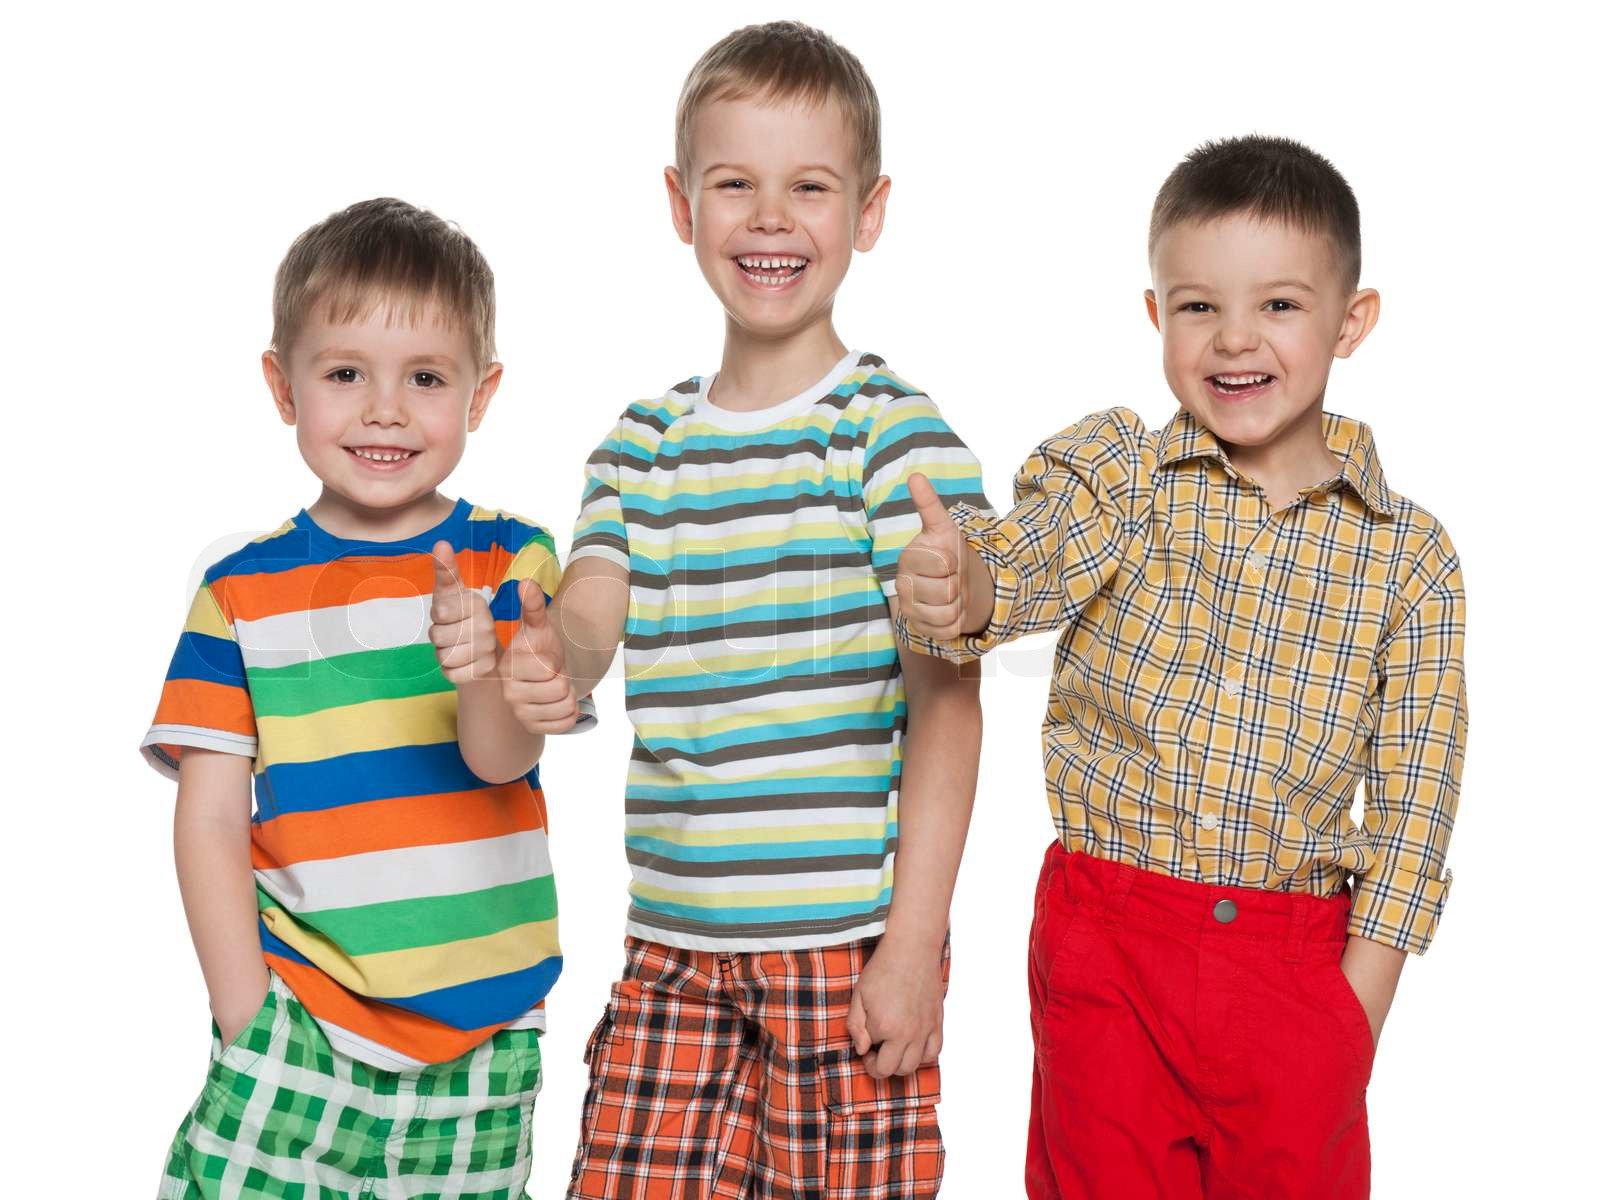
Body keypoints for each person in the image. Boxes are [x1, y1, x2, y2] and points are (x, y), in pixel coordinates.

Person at [897, 135, 1468, 1198]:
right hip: (1111, 949)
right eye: (1199, 305)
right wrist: (959, 582)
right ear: (1158, 315)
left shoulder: (1410, 556)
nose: (1235, 338)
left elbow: (1415, 802)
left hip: (1297, 970)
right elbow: (1024, 565)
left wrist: (1351, 1016)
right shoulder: (1123, 478)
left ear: (1352, 320)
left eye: (1280, 307)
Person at [500, 21, 990, 1198]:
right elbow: (590, 619)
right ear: (681, 204)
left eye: (808, 188)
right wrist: (544, 653)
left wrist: (913, 945)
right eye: (736, 185)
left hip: (846, 953)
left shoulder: (892, 434)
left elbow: (950, 708)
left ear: (867, 212)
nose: (771, 220)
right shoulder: (640, 445)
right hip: (670, 951)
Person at [142, 197, 590, 1198]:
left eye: (425, 378)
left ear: (480, 394)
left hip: (483, 1040)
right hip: (297, 1020)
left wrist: (483, 669)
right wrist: (242, 1009)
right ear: (282, 384)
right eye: (345, 373)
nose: (384, 410)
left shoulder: (511, 560)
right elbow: (210, 811)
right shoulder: (239, 592)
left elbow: (499, 759)